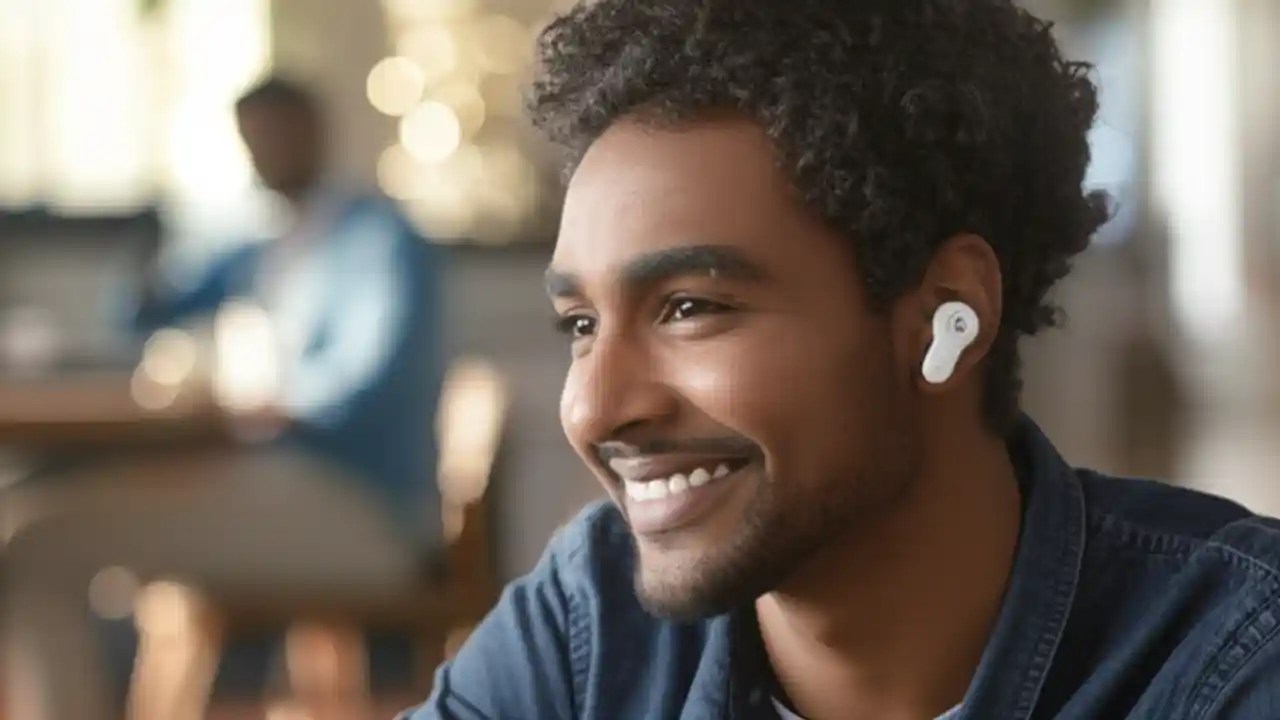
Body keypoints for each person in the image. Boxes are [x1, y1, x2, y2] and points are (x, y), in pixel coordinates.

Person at [402, 1, 1280, 718]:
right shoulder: (591, 630)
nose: (594, 410)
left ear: (948, 313)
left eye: (690, 308)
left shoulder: (1232, 661)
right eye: (581, 325)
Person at [2, 77, 446, 720]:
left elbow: (366, 379)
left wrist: (273, 406)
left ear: (317, 130)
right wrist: (160, 236)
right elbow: (141, 313)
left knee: (37, 542)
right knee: (34, 525)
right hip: (279, 479)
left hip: (357, 505)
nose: (265, 152)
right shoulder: (269, 242)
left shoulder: (376, 238)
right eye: (252, 139)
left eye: (278, 134)